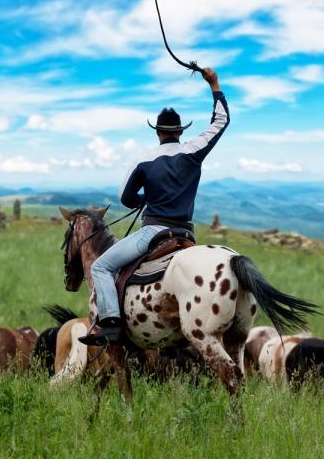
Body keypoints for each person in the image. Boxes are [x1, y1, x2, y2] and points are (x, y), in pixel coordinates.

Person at [80, 67, 228, 347]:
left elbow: (125, 197)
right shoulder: (194, 150)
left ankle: (110, 324)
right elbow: (221, 121)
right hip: (186, 235)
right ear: (180, 132)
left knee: (100, 267)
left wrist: (144, 199)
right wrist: (214, 84)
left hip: (153, 233)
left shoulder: (144, 160)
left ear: (158, 132)